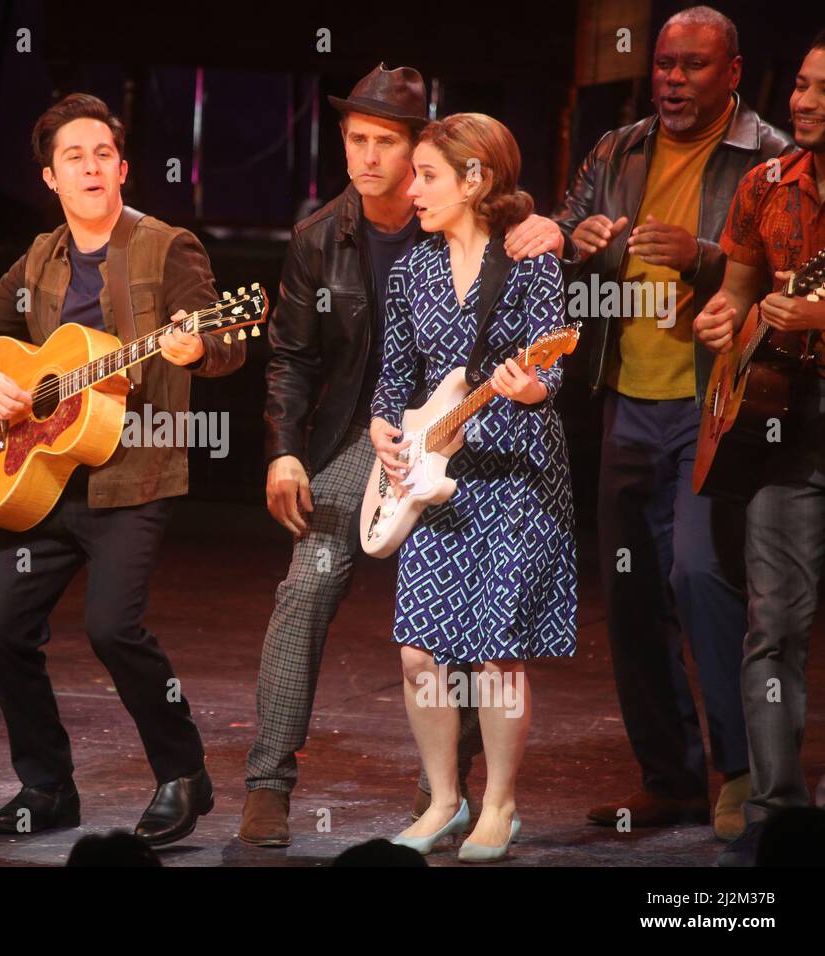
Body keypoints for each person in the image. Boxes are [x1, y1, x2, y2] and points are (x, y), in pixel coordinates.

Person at [242, 63, 565, 848]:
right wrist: (287, 452)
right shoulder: (324, 236)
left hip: (482, 442)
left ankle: (455, 793)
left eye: (391, 145)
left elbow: (545, 354)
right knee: (316, 577)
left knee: (487, 642)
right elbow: (292, 356)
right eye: (357, 141)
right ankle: (268, 781)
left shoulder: (511, 242)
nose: (372, 161)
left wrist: (548, 234)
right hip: (367, 434)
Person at [0, 93, 245, 846]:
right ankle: (46, 787)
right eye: (74, 157)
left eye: (103, 154)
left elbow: (228, 343)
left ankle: (184, 775)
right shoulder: (39, 257)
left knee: (113, 629)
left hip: (130, 475)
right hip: (40, 481)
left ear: (123, 167)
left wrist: (199, 347)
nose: (91, 167)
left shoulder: (165, 247)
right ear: (50, 176)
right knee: (2, 631)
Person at [551, 6, 793, 840]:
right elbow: (564, 228)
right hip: (628, 397)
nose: (672, 80)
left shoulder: (768, 158)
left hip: (717, 398)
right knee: (629, 589)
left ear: (732, 73)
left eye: (692, 66)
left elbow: (796, 275)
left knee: (698, 574)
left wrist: (706, 257)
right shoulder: (618, 149)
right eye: (663, 64)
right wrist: (577, 239)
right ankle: (670, 775)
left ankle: (738, 769)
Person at [370, 112, 577, 863]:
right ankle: (445, 798)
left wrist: (528, 387)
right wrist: (382, 428)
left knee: (496, 656)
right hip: (435, 476)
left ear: (474, 179)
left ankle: (500, 804)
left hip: (516, 477)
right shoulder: (412, 270)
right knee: (419, 653)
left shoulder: (529, 263)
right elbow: (396, 375)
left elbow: (551, 366)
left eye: (427, 175)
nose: (411, 188)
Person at [694, 30, 825, 866]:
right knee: (773, 623)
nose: (803, 101)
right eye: (804, 85)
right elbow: (736, 295)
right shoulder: (767, 184)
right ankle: (782, 816)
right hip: (787, 426)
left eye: (822, 90)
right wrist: (721, 321)